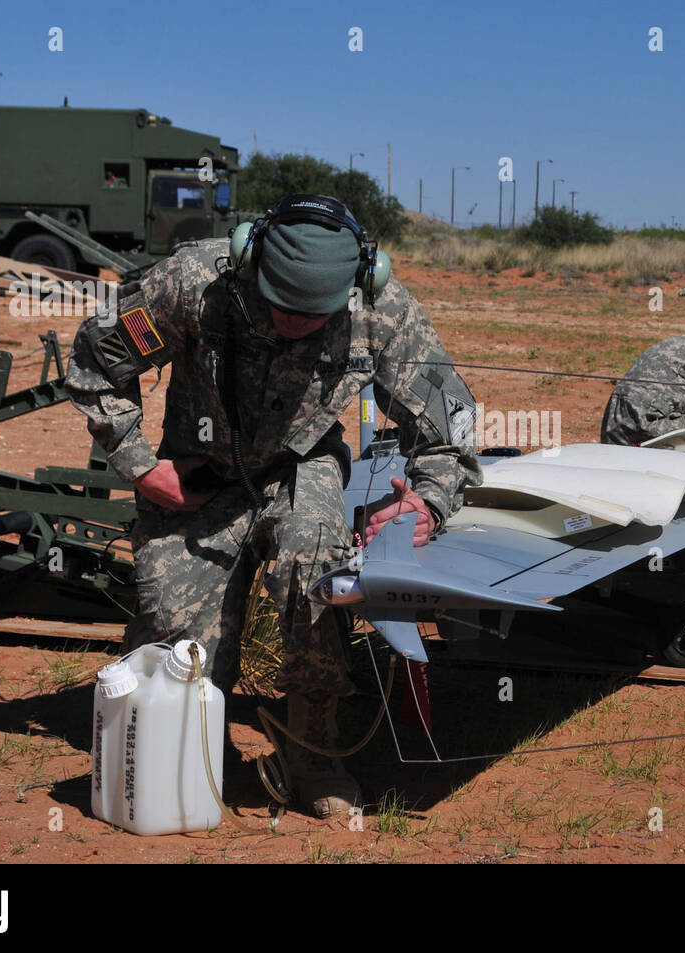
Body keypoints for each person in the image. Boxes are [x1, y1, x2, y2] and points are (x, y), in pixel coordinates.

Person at [64, 194, 482, 817]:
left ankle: (313, 748)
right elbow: (96, 359)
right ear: (248, 260)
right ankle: (180, 747)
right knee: (180, 643)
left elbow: (454, 426)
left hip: (300, 467)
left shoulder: (381, 310)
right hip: (197, 471)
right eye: (278, 305)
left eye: (310, 315)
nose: (291, 324)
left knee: (317, 572)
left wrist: (428, 501)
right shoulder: (193, 282)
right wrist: (143, 469)